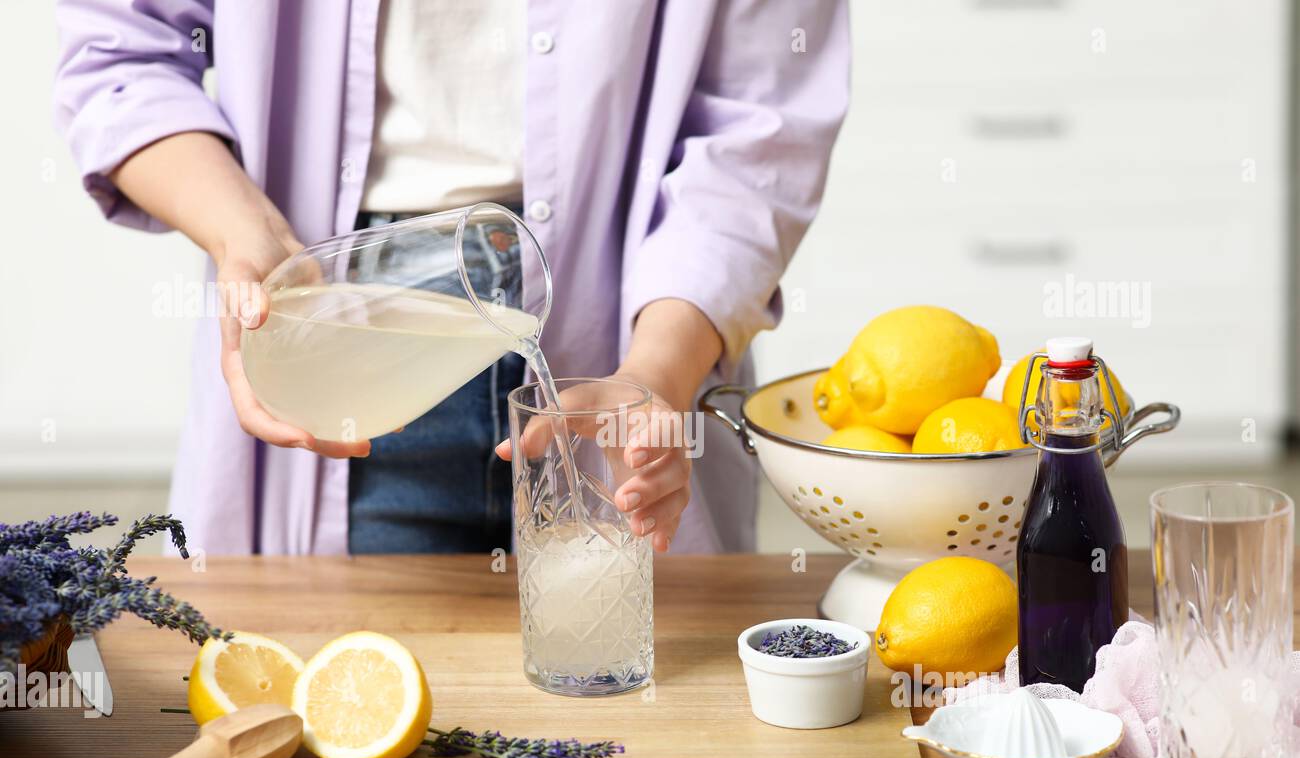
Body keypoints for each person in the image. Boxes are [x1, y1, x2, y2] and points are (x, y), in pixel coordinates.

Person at [53, 0, 849, 555]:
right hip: (345, 320)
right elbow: (120, 50)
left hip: (634, 318)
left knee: (633, 710)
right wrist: (247, 239)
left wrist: (657, 375)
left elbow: (760, 127)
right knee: (356, 716)